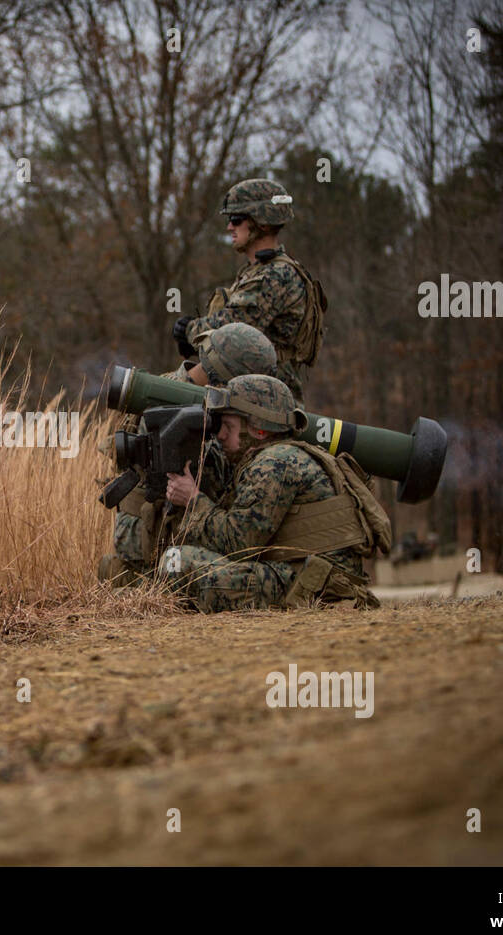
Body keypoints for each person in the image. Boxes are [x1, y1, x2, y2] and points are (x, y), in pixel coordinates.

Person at [157, 374, 391, 611]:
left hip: (313, 586)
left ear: (258, 430)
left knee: (176, 561)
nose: (221, 435)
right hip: (311, 577)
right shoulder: (283, 456)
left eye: (229, 426)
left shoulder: (275, 462)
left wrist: (193, 500)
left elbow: (238, 544)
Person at [98, 323, 279, 586]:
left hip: (150, 539)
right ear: (230, 378)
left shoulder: (166, 387)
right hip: (156, 549)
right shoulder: (177, 407)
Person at [172, 179, 327, 405]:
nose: (229, 227)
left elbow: (232, 331)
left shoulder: (276, 276)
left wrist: (189, 330)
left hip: (266, 398)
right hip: (246, 389)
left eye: (236, 220)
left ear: (262, 223)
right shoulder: (257, 271)